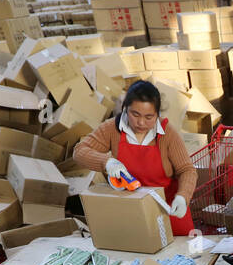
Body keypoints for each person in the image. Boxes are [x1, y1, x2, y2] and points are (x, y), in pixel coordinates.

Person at [74, 80, 196, 235]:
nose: (141, 122)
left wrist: (183, 197)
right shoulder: (112, 129)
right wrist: (107, 162)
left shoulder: (167, 134)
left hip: (168, 212)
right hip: (132, 213)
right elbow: (79, 151)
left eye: (149, 117)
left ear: (158, 114)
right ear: (125, 109)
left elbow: (187, 170)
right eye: (135, 114)